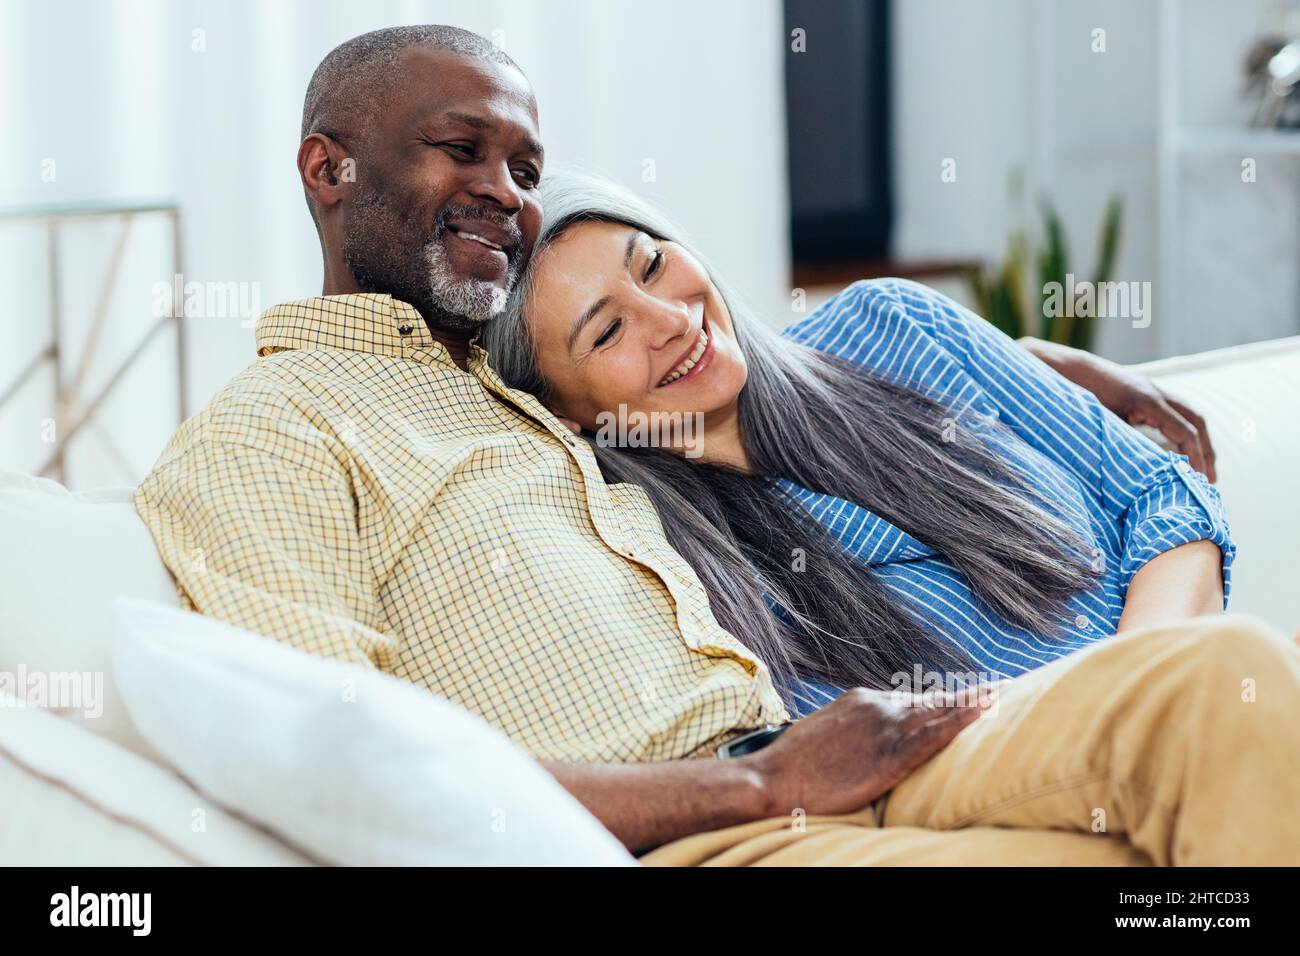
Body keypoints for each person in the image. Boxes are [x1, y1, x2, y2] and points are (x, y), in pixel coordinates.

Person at [133, 26, 1299, 865]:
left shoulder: (506, 402)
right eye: (458, 147)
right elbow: (347, 756)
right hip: (751, 810)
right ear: (326, 168)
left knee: (1207, 695)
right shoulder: (269, 432)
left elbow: (787, 364)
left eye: (523, 167)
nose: (502, 193)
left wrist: (1042, 365)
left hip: (859, 770)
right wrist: (764, 778)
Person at [482, 171, 1235, 716]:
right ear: (565, 412)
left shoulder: (893, 325)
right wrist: (1111, 720)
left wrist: (1138, 683)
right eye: (608, 330)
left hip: (1201, 691)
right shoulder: (664, 569)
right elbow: (860, 746)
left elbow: (1161, 491)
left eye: (651, 263)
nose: (670, 319)